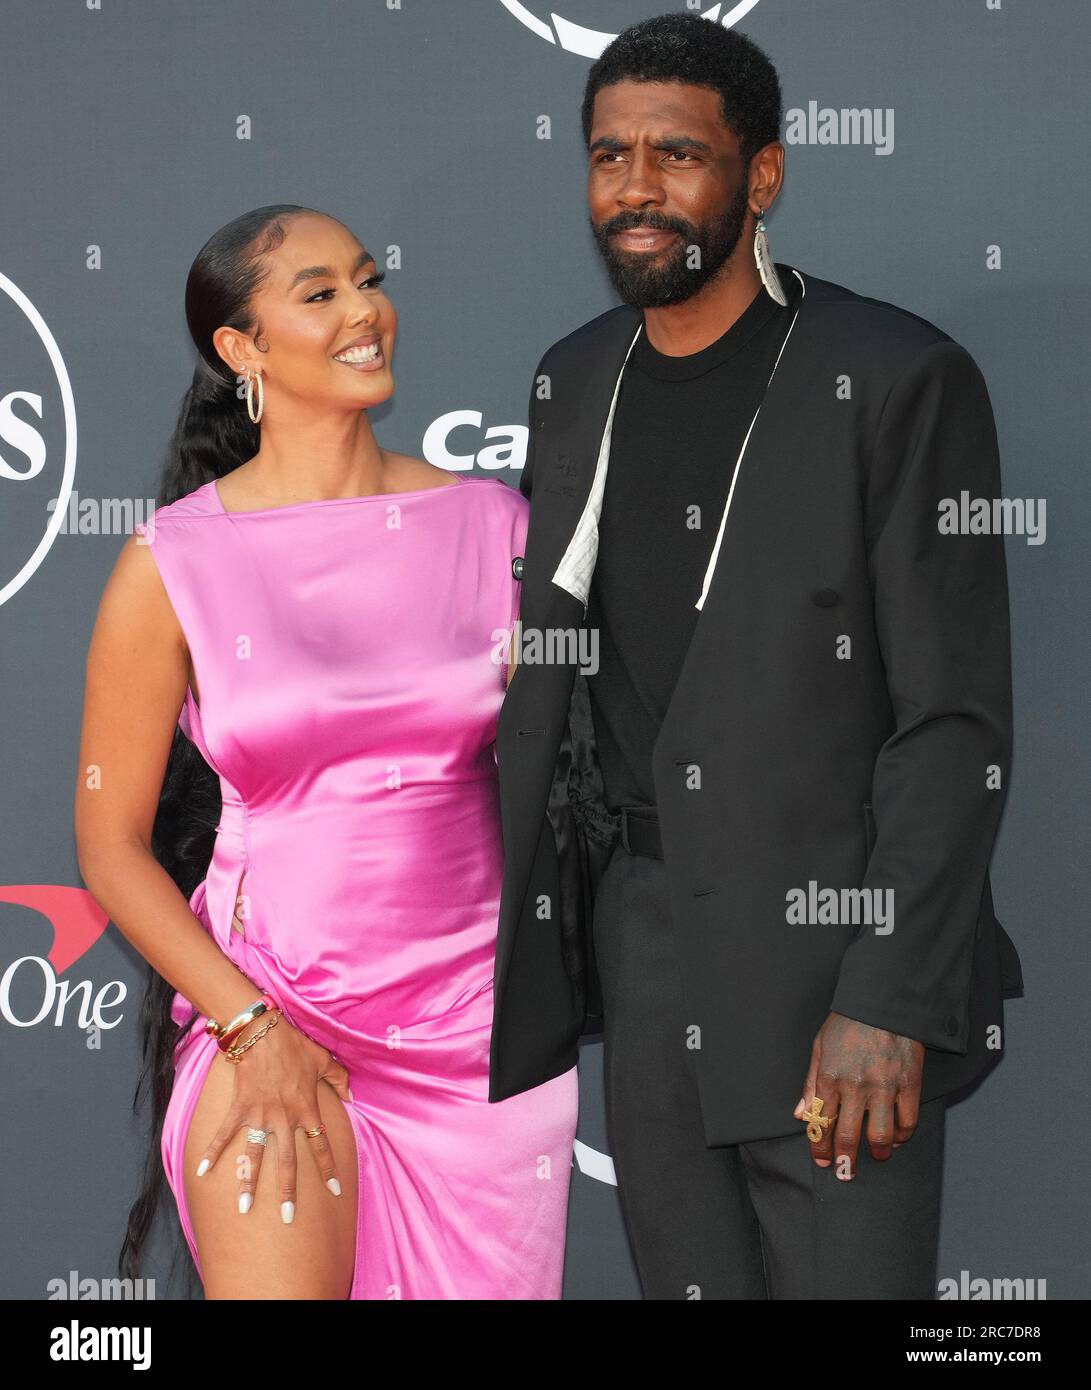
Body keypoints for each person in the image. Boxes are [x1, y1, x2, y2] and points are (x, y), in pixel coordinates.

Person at [489, 14, 1023, 1299]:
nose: (636, 188)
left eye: (676, 155)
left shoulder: (893, 377)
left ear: (760, 177)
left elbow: (950, 723)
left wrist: (887, 994)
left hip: (828, 962)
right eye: (609, 155)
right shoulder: (573, 380)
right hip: (647, 940)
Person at [74, 205, 577, 1300]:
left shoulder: (493, 526)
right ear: (240, 350)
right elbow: (110, 846)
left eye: (368, 279)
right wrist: (249, 1025)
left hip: (481, 1042)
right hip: (272, 1016)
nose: (365, 311)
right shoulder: (173, 563)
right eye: (320, 294)